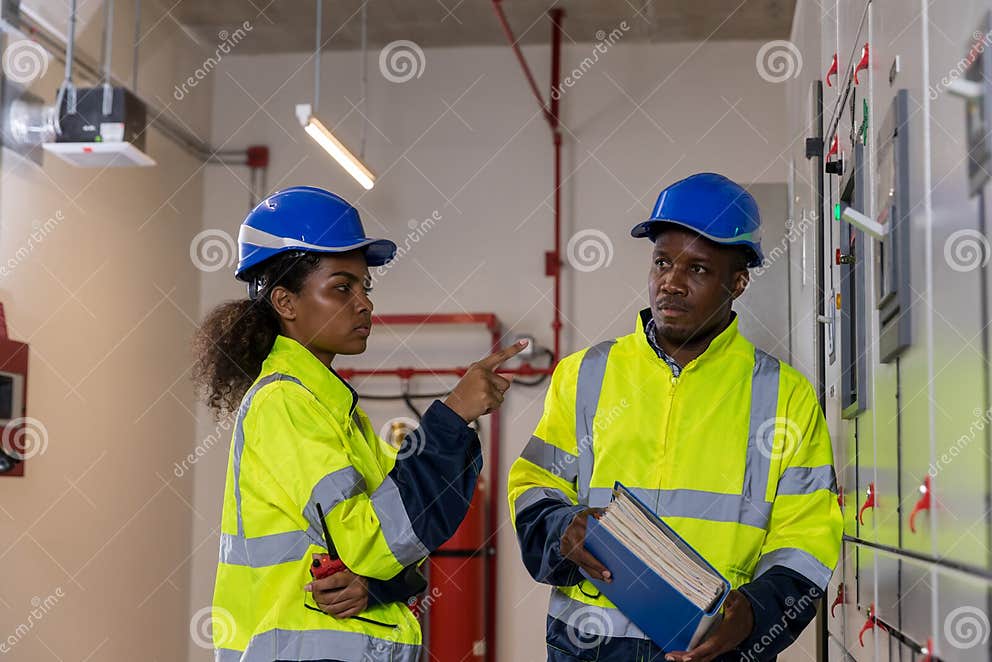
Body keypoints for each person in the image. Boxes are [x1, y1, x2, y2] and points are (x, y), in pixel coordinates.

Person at [507, 173, 843, 662]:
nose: (671, 282)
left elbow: (807, 539)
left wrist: (751, 613)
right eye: (662, 262)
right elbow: (533, 484)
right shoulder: (583, 375)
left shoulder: (786, 397)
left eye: (699, 269)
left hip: (713, 650)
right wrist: (563, 525)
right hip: (589, 647)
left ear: (739, 281)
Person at [193, 186, 526, 662]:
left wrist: (376, 584)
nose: (365, 304)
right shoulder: (285, 402)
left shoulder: (329, 407)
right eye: (342, 288)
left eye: (364, 288)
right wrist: (452, 416)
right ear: (286, 303)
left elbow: (399, 537)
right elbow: (374, 540)